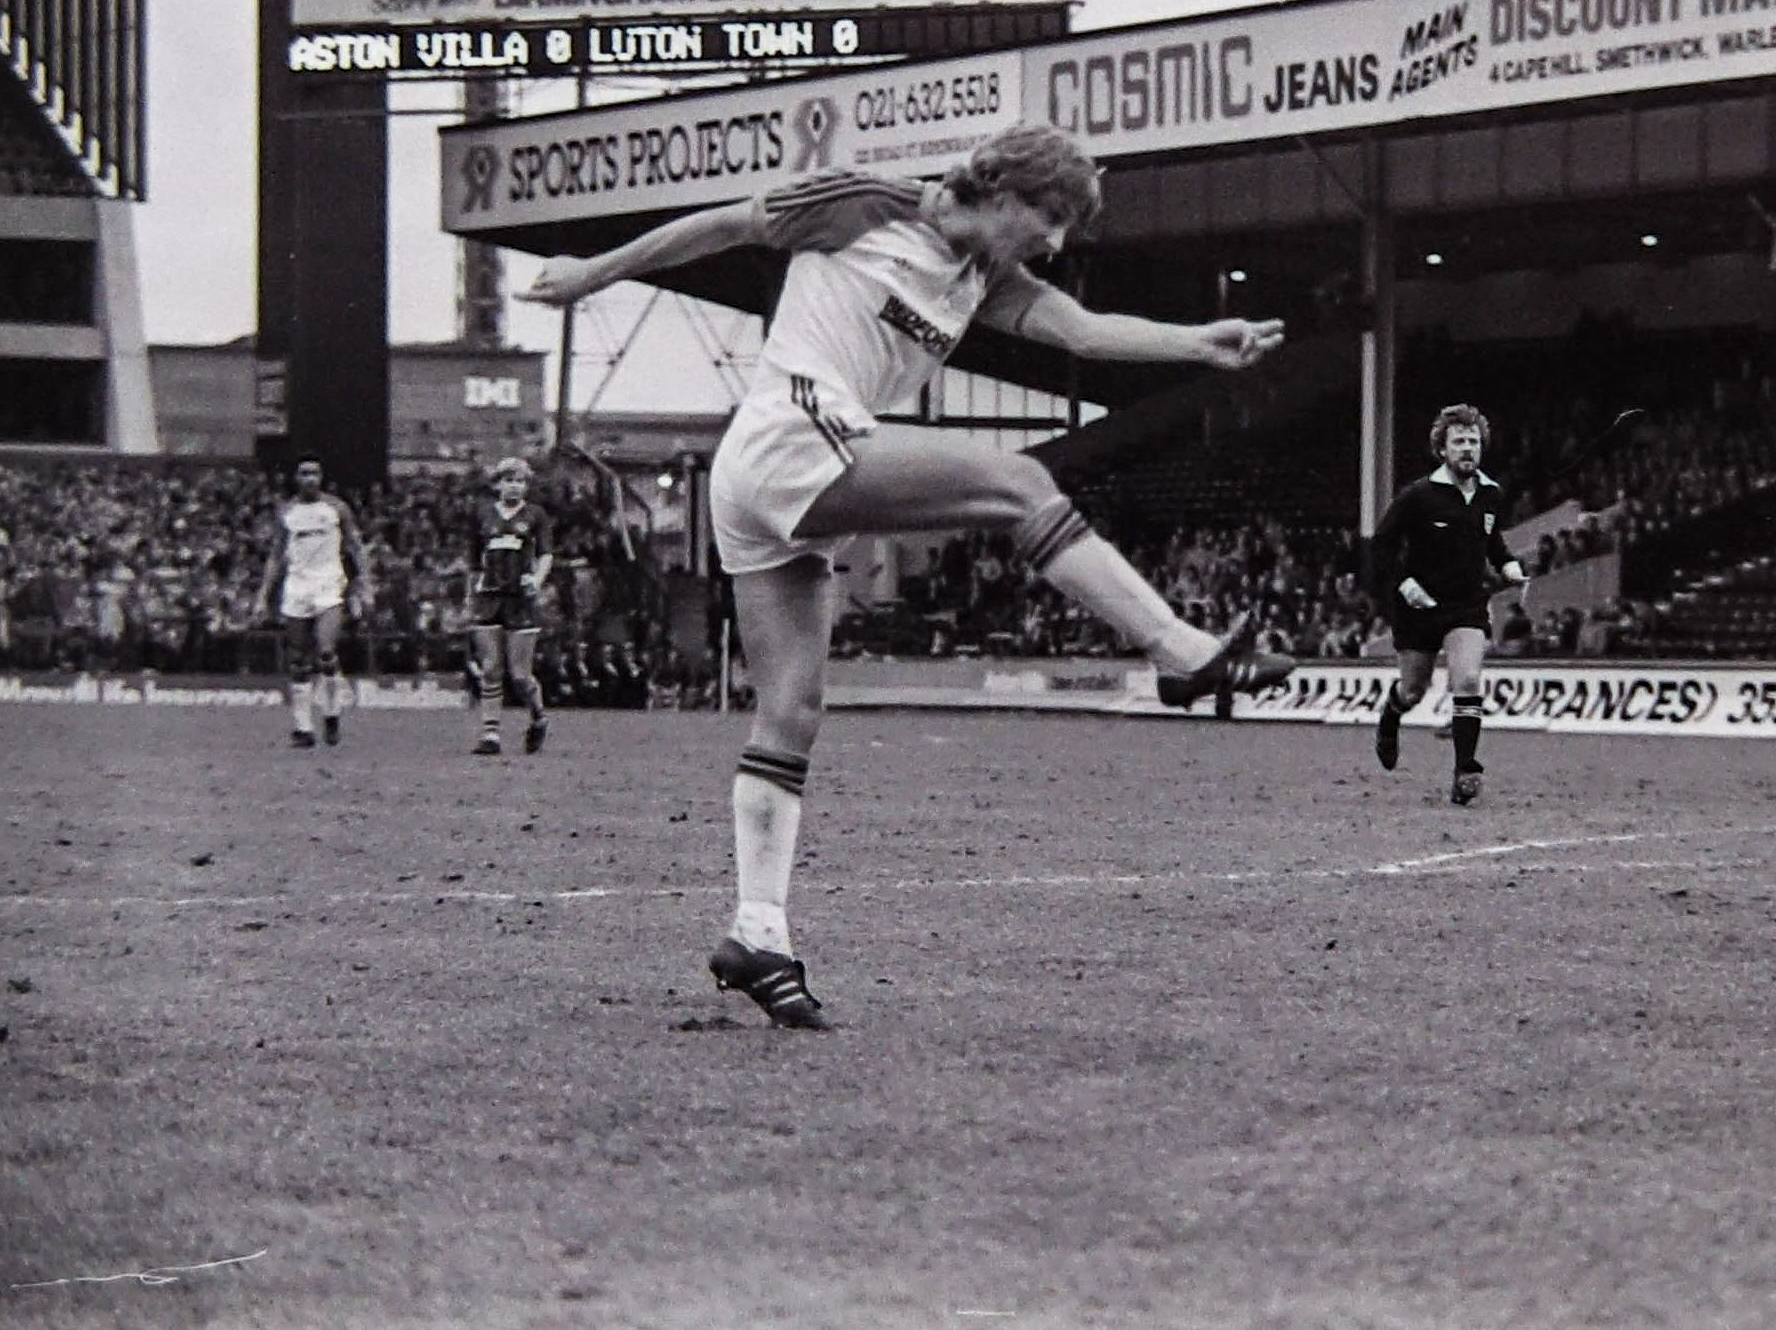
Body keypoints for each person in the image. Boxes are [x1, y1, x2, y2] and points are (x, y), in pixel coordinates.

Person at [521, 123, 1296, 1029]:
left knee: (792, 714)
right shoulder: (866, 202)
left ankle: (757, 934)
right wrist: (590, 276)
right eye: (1048, 218)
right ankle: (1177, 650)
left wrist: (1199, 343)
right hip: (787, 435)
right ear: (1002, 190)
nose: (1054, 242)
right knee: (1020, 483)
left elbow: (1081, 333)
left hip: (785, 475)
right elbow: (724, 227)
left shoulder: (985, 278)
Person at [1367, 405, 1527, 805]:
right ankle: (1391, 717)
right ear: (1442, 449)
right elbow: (1380, 546)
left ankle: (1465, 771)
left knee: (1468, 681)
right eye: (1459, 442)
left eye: (1473, 441)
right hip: (1419, 607)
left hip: (1466, 606)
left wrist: (1507, 564)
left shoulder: (1491, 493)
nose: (1467, 449)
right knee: (1413, 689)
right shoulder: (1418, 496)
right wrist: (1403, 584)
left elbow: (1493, 542)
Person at [256, 454, 370, 749]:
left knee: (326, 651)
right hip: (297, 587)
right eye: (304, 473)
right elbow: (275, 556)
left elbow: (356, 547)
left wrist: (366, 585)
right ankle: (303, 727)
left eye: (314, 473)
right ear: (296, 478)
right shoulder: (288, 512)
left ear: (321, 477)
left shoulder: (336, 508)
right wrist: (263, 596)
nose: (309, 478)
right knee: (297, 660)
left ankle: (331, 714)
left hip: (328, 584)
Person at [466, 456, 555, 757]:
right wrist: (471, 595)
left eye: (519, 481)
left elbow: (545, 554)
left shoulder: (535, 516)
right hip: (490, 597)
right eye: (508, 480)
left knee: (520, 675)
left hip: (521, 600)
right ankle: (490, 733)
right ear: (497, 484)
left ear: (526, 486)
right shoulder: (482, 515)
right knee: (490, 668)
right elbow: (473, 561)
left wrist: (538, 580)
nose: (514, 486)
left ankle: (538, 717)